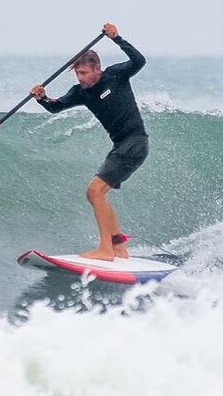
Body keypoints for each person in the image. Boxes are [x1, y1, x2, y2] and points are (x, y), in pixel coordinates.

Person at [30, 23, 149, 261]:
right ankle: (118, 247)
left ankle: (105, 250)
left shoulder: (115, 75)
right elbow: (56, 107)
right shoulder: (80, 92)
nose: (80, 78)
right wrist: (42, 98)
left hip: (135, 142)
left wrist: (117, 38)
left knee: (94, 191)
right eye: (77, 74)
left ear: (97, 69)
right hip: (120, 146)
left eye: (84, 73)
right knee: (96, 194)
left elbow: (139, 61)